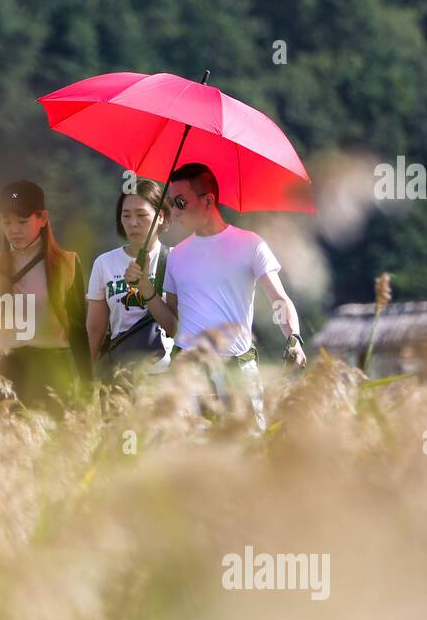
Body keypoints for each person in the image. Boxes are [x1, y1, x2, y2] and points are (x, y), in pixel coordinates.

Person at [124, 162, 306, 431]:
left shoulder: (250, 244)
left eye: (180, 202)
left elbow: (279, 298)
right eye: (171, 202)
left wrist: (294, 337)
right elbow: (172, 325)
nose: (173, 211)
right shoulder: (175, 257)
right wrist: (147, 291)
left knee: (247, 450)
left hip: (238, 371)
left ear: (208, 200)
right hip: (189, 373)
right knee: (187, 457)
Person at [0, 180, 91, 410]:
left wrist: (87, 386)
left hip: (51, 373)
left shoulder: (67, 264)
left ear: (42, 219)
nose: (14, 230)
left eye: (22, 221)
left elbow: (78, 330)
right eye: (6, 222)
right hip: (2, 373)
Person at [86, 178, 175, 381]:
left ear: (160, 216)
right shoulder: (104, 263)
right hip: (118, 375)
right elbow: (95, 329)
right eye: (126, 216)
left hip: (164, 377)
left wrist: (145, 287)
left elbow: (175, 328)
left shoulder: (175, 261)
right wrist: (86, 377)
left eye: (142, 215)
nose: (132, 223)